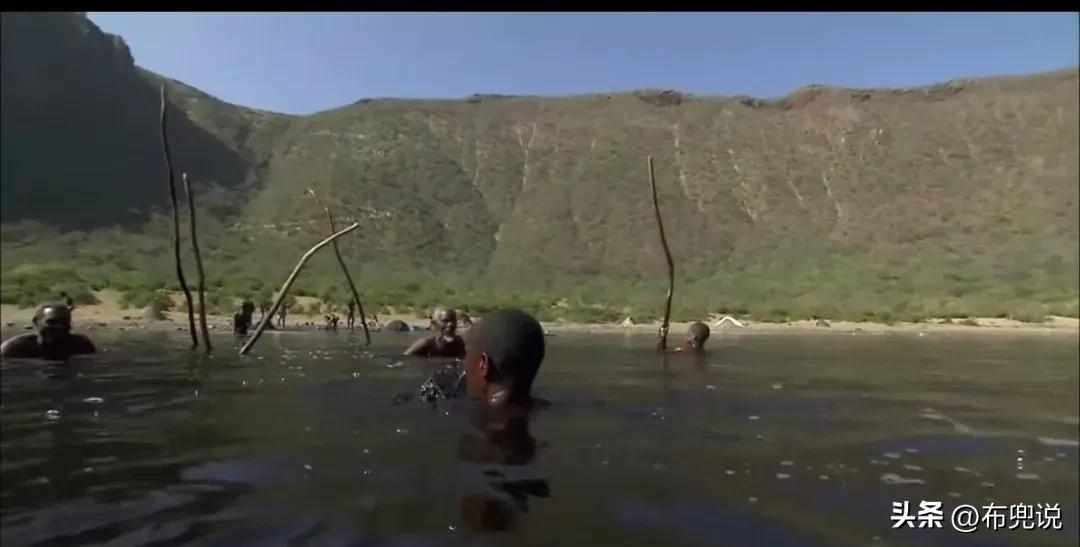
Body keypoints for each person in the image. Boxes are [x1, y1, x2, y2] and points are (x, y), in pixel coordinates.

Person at [463, 308, 545, 409]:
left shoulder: (464, 415)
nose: (464, 364)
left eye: (466, 353)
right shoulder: (544, 412)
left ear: (483, 365)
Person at [0, 303, 96, 360]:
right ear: (36, 322)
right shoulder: (15, 348)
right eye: (52, 322)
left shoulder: (81, 345)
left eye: (64, 322)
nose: (59, 327)